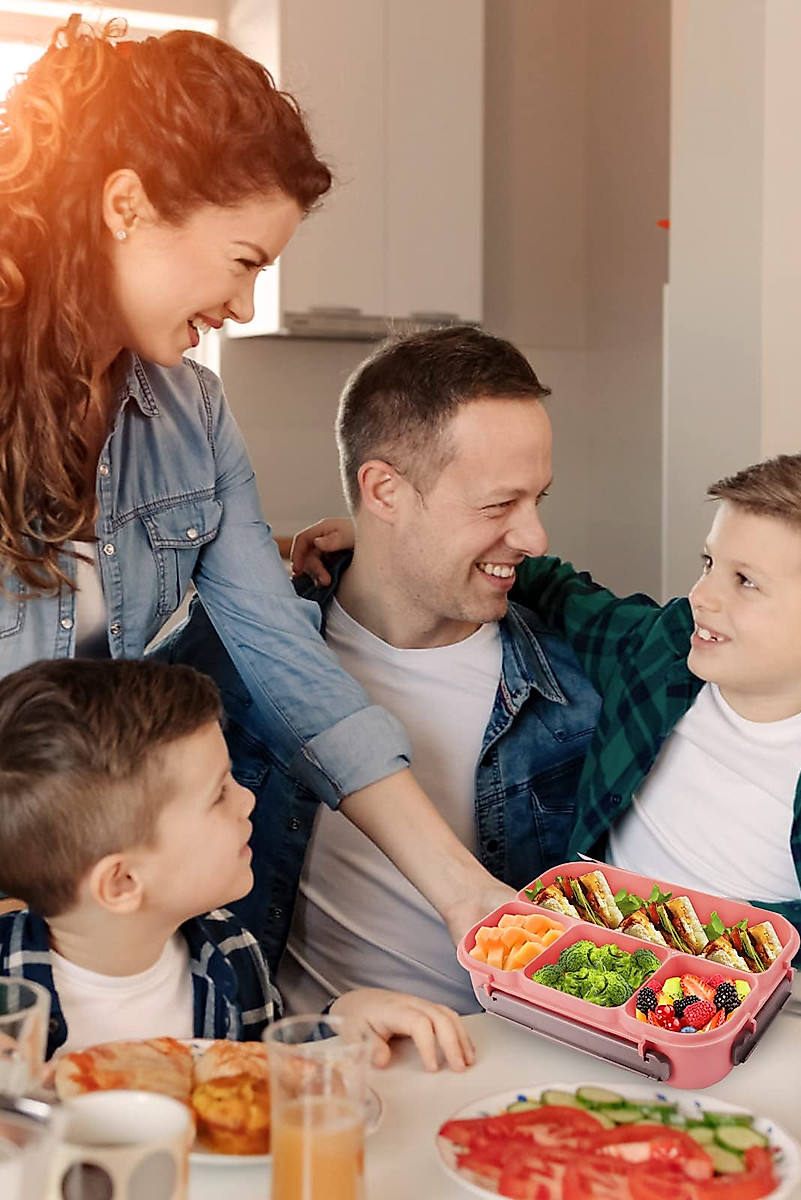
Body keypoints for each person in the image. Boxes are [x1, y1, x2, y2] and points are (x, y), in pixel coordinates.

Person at [0, 18, 509, 942]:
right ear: (126, 205)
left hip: (98, 901)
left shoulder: (193, 413)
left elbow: (291, 670)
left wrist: (466, 896)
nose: (242, 306)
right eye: (244, 263)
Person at [296, 453, 801, 968]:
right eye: (709, 563)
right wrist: (401, 544)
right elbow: (559, 590)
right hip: (594, 985)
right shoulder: (662, 652)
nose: (703, 595)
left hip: (767, 1014)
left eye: (745, 582)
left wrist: (735, 940)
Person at [159, 328, 600, 1012]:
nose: (535, 538)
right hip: (308, 1066)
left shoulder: (575, 694)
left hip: (509, 1069)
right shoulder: (230, 669)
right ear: (384, 492)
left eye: (538, 500)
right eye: (498, 505)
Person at [0, 658, 475, 1071]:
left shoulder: (231, 952)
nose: (247, 799)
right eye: (218, 794)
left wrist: (340, 1024)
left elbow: (258, 1075)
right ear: (123, 882)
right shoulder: (10, 993)